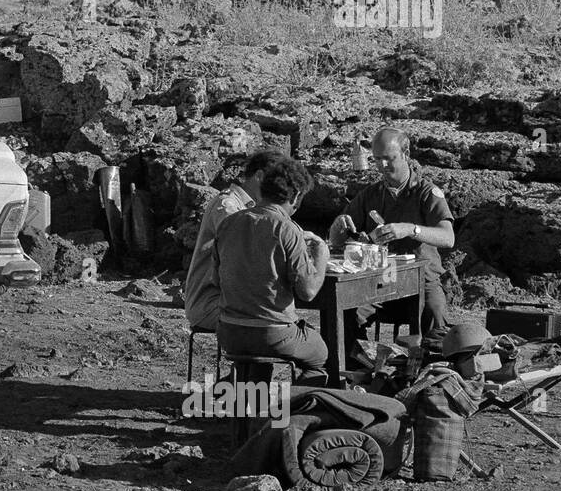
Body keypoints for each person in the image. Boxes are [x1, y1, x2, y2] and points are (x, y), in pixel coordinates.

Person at [327, 126, 455, 353]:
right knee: (344, 312)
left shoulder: (426, 193)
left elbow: (448, 238)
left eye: (388, 158)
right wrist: (338, 228)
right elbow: (338, 240)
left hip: (422, 279)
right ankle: (359, 367)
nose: (382, 166)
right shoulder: (370, 195)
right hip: (380, 279)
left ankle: (430, 374)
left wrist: (410, 229)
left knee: (436, 319)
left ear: (406, 154)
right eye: (377, 159)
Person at [213, 155, 331, 386]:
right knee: (320, 354)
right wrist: (321, 257)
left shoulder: (228, 223)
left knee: (257, 354)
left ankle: (252, 410)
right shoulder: (287, 229)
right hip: (272, 334)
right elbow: (308, 292)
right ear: (296, 196)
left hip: (229, 331)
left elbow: (216, 281)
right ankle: (298, 410)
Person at [184, 148, 289, 331]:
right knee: (280, 325)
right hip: (211, 304)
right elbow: (243, 253)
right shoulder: (227, 206)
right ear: (259, 176)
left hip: (234, 301)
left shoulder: (256, 209)